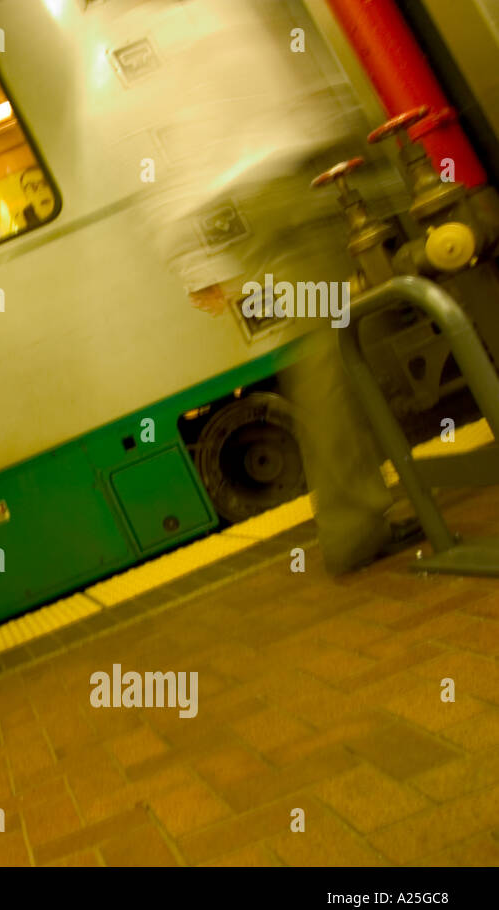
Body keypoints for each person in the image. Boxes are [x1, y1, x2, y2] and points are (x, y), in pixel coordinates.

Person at [119, 0, 419, 574]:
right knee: (334, 342)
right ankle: (353, 522)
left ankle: (356, 515)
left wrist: (189, 256)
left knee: (331, 337)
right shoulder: (179, 16)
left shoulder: (126, 34)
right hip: (288, 178)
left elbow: (148, 150)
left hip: (263, 191)